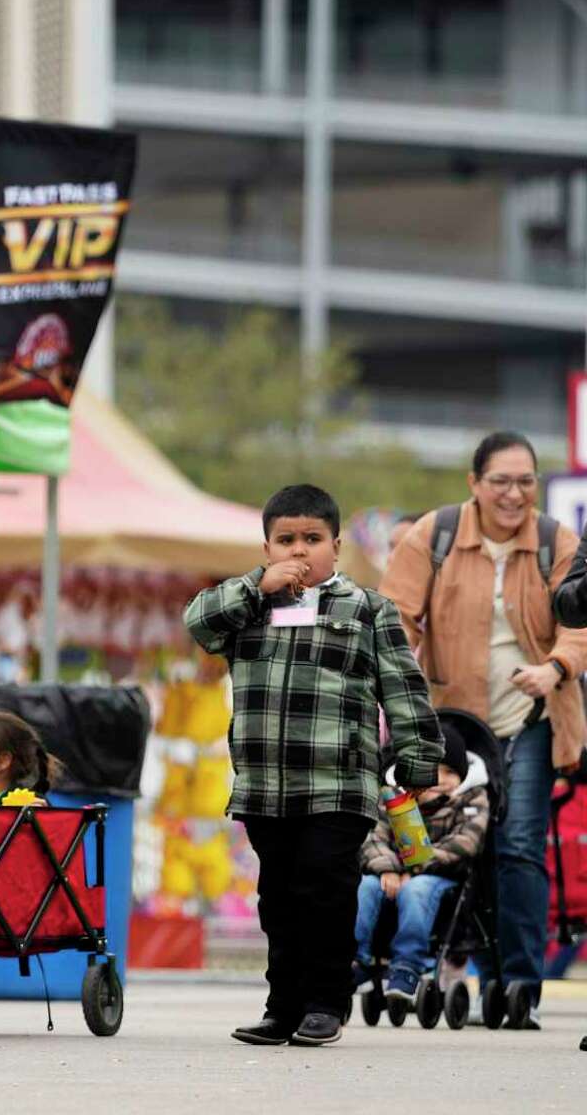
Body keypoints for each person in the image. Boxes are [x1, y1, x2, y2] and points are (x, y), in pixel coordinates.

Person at [187, 483, 442, 1049]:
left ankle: (326, 1002)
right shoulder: (246, 605)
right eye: (285, 540)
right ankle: (283, 1007)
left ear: (337, 544)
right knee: (278, 897)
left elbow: (404, 687)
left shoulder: (368, 609)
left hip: (340, 782)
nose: (299, 551)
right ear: (266, 546)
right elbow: (196, 623)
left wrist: (420, 758)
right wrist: (256, 585)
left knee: (323, 888)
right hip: (265, 784)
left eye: (312, 539)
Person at [384, 431, 587, 1030]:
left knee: (519, 844)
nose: (514, 493)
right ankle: (454, 967)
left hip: (533, 719)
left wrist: (555, 667)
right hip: (455, 728)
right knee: (461, 849)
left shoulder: (557, 540)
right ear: (474, 483)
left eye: (525, 480)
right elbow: (396, 616)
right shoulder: (435, 535)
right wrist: (403, 687)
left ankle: (520, 980)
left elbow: (581, 619)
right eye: (500, 480)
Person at [352, 727, 490, 1009]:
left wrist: (411, 870)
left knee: (417, 890)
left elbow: (465, 843)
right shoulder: (392, 798)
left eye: (450, 773)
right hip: (390, 874)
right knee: (365, 887)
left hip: (441, 878)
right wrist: (388, 869)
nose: (440, 780)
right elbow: (373, 836)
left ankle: (407, 965)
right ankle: (356, 960)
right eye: (432, 771)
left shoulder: (470, 800)